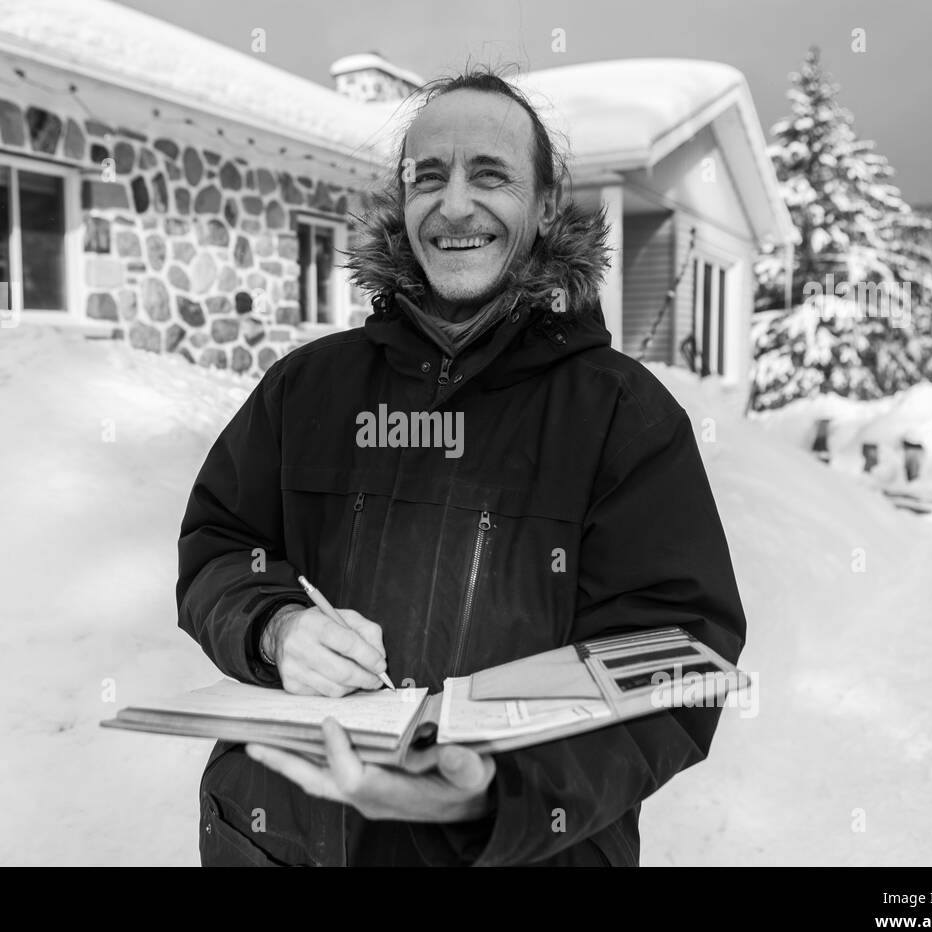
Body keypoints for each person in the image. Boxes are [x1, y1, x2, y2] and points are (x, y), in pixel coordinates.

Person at [176, 67, 746, 866]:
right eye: (427, 176)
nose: (453, 205)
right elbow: (220, 543)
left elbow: (673, 657)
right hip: (282, 839)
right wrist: (275, 627)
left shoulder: (621, 416)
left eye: (490, 175)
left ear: (546, 206)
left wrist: (495, 794)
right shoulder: (308, 388)